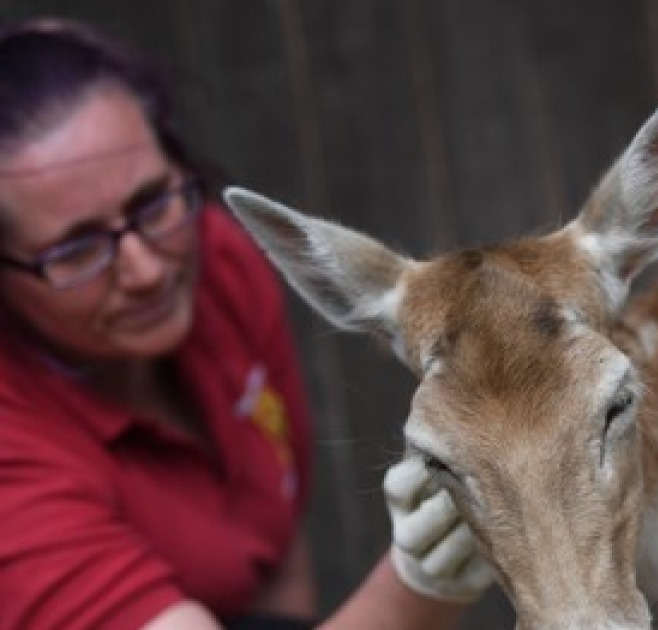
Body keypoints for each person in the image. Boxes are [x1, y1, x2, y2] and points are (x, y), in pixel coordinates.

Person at [0, 18, 491, 630]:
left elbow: (274, 559)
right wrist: (424, 583)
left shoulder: (213, 268)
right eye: (77, 251)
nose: (148, 270)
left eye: (152, 202)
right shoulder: (11, 462)